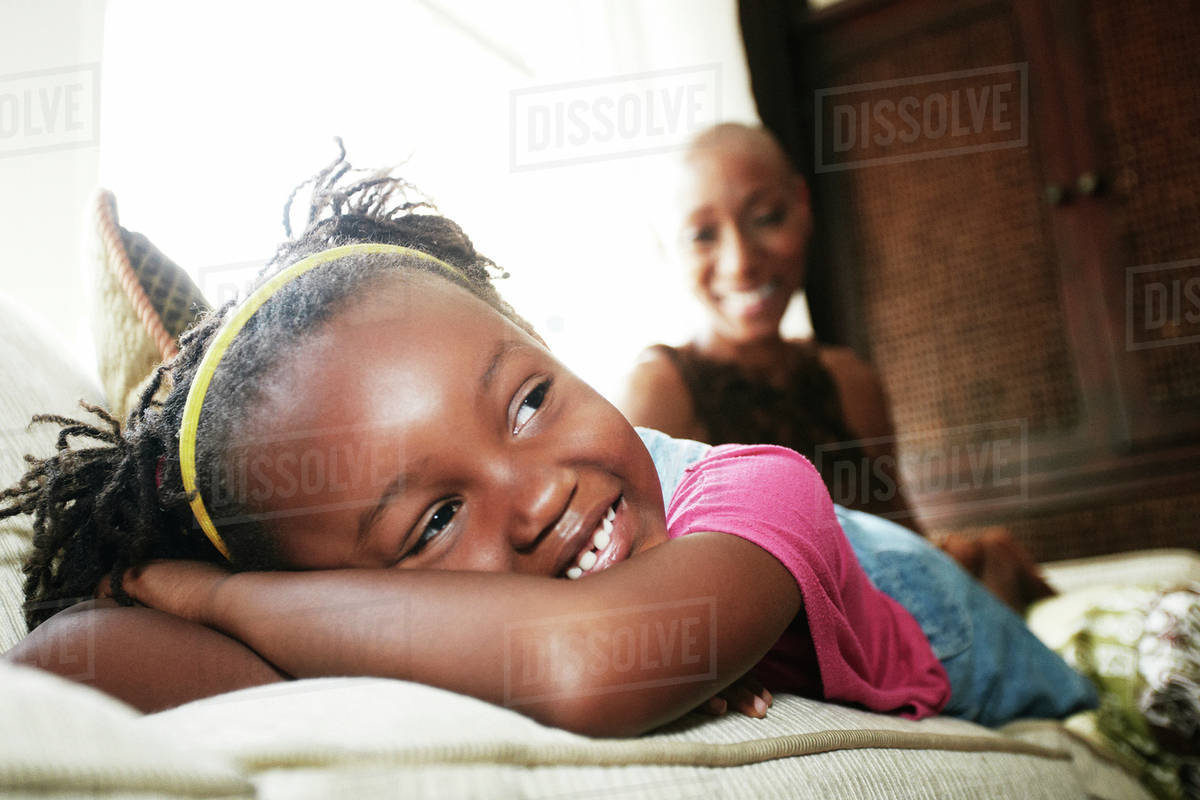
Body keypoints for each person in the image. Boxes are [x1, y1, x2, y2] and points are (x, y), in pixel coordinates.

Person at [1, 146, 1093, 736]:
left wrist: (219, 597)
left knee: (1068, 653)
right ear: (352, 595)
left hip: (914, 603)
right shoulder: (371, 617)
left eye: (529, 400)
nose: (536, 496)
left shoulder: (762, 489)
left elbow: (591, 657)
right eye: (432, 520)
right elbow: (58, 668)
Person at [619, 122, 1054, 612]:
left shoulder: (849, 381)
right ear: (668, 248)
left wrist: (969, 566)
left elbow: (904, 547)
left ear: (803, 207)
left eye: (766, 217)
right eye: (702, 235)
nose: (740, 262)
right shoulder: (659, 392)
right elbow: (648, 603)